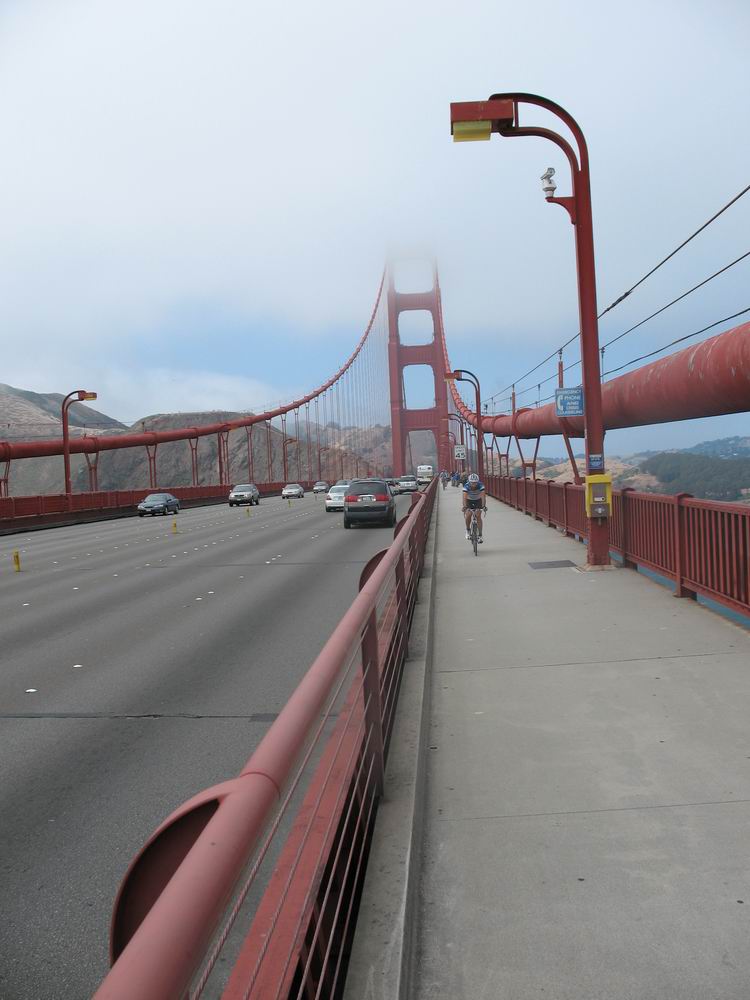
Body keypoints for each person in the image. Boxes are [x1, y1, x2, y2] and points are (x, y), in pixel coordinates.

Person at [462, 472, 486, 542]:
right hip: (469, 501)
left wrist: (483, 506)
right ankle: (468, 530)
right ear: (469, 482)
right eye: (472, 482)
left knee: (478, 515)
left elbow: (483, 496)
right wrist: (465, 507)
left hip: (478, 500)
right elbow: (464, 498)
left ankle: (480, 535)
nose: (473, 484)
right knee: (468, 514)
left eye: (475, 482)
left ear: (477, 482)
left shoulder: (481, 485)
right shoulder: (466, 486)